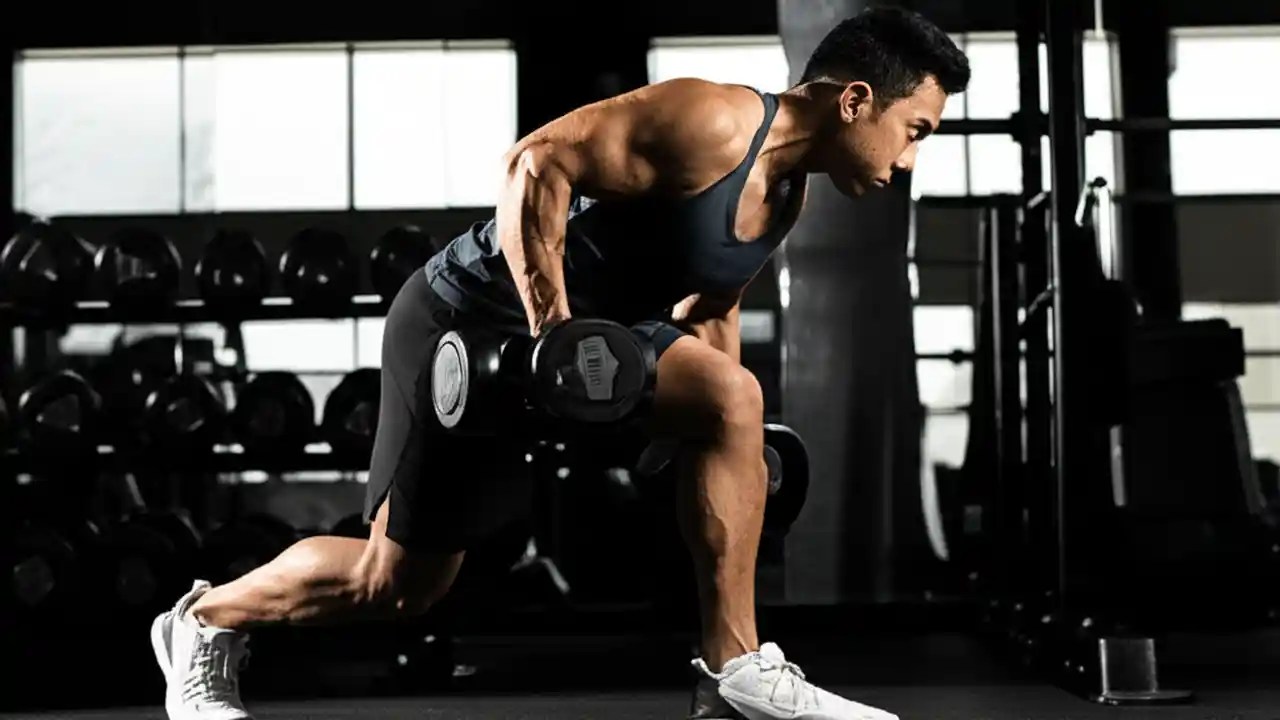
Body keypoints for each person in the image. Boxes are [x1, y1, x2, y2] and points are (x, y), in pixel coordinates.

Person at [150, 7, 969, 720]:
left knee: (727, 403)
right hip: (465, 317)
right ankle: (207, 619)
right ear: (857, 100)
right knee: (390, 581)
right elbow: (536, 162)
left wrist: (711, 439)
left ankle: (732, 672)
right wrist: (555, 334)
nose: (907, 162)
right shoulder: (710, 120)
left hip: (585, 350)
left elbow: (708, 315)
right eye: (915, 132)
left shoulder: (785, 194)